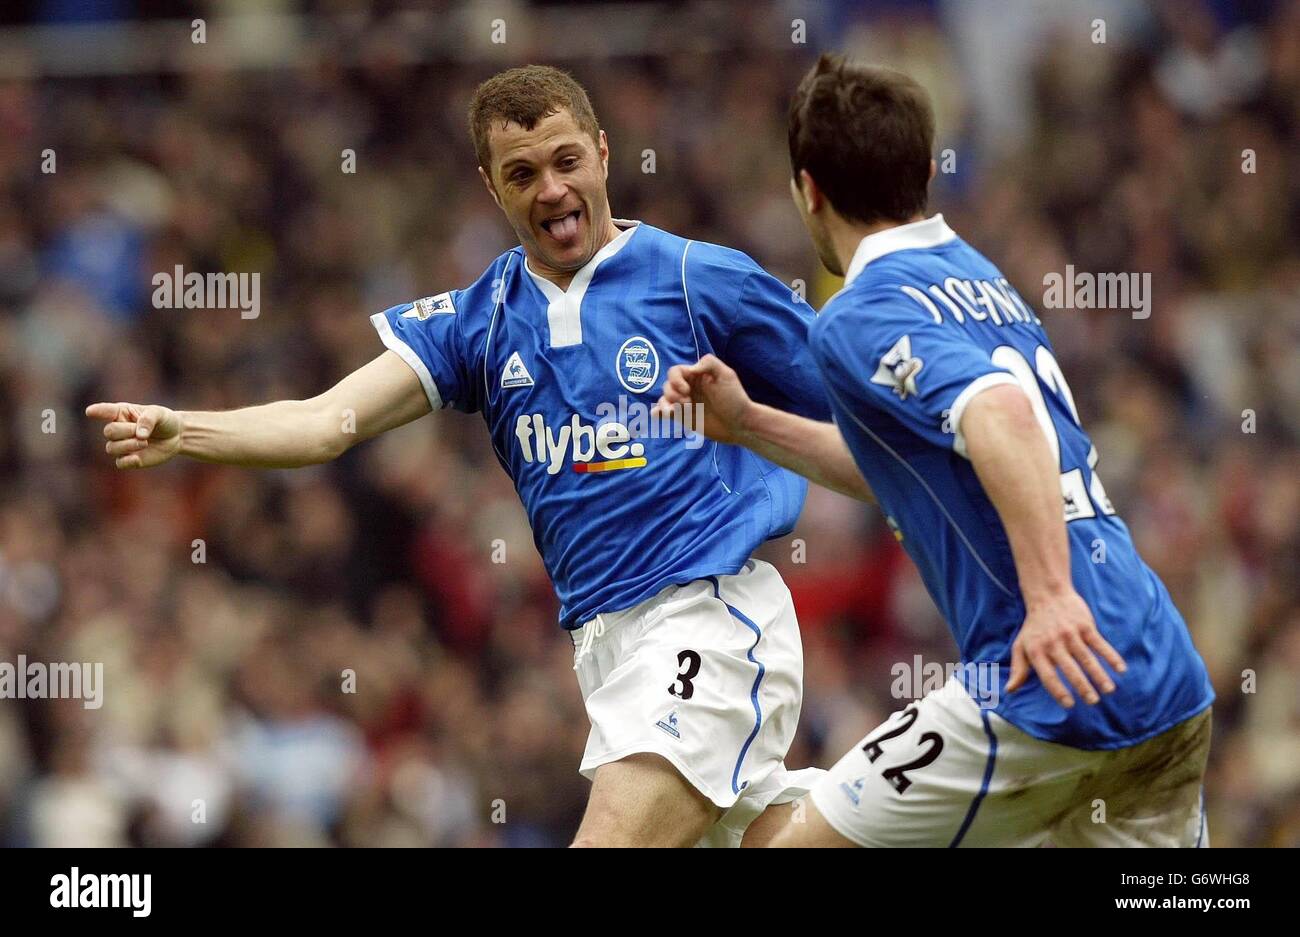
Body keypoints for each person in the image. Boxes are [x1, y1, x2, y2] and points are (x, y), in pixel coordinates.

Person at [85, 64, 843, 848]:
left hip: (707, 619)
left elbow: (851, 392)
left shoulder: (696, 280)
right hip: (607, 653)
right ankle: (939, 801)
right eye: (523, 173)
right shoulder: (477, 323)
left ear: (604, 155)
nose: (550, 189)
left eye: (566, 161)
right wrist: (186, 430)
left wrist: (940, 480)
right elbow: (324, 424)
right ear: (491, 187)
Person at [656, 53, 1214, 847]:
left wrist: (1051, 597)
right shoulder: (981, 277)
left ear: (807, 190)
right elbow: (907, 470)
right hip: (1162, 669)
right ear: (925, 168)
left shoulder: (857, 317)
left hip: (1046, 683)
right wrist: (749, 423)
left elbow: (1005, 417)